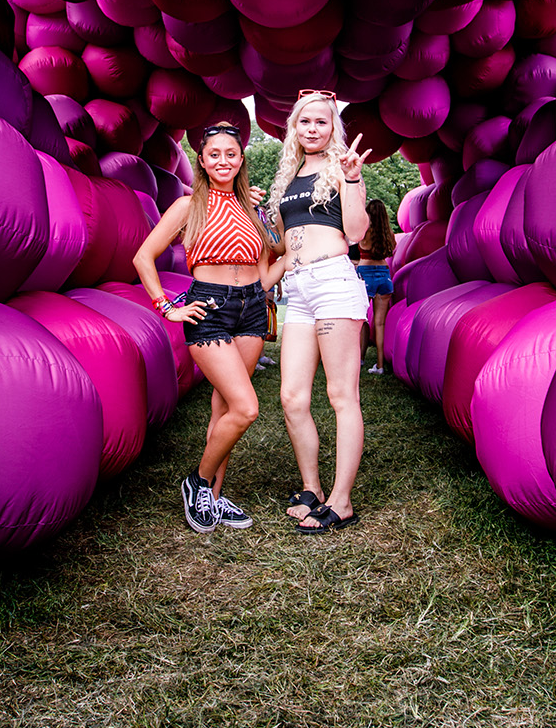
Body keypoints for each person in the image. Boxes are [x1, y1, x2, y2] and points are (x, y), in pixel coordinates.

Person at [133, 123, 278, 533]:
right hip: (209, 309)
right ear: (202, 159)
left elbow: (265, 274)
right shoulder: (187, 206)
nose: (223, 161)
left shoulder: (252, 208)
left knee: (226, 407)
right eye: (214, 154)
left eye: (231, 154)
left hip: (251, 307)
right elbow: (144, 257)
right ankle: (196, 481)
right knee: (247, 408)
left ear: (241, 159)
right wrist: (167, 307)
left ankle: (213, 497)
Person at [266, 89, 372, 534]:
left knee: (340, 395)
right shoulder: (288, 175)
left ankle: (341, 500)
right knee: (292, 397)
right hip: (297, 288)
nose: (312, 129)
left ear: (333, 129)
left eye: (321, 122)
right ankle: (311, 488)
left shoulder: (343, 169)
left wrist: (351, 180)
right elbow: (283, 244)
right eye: (305, 122)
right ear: (295, 127)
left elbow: (355, 232)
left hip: (333, 282)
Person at [356, 199, 395, 374]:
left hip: (365, 275)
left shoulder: (364, 232)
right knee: (380, 323)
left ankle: (360, 358)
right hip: (384, 275)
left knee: (362, 321)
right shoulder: (388, 234)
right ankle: (379, 365)